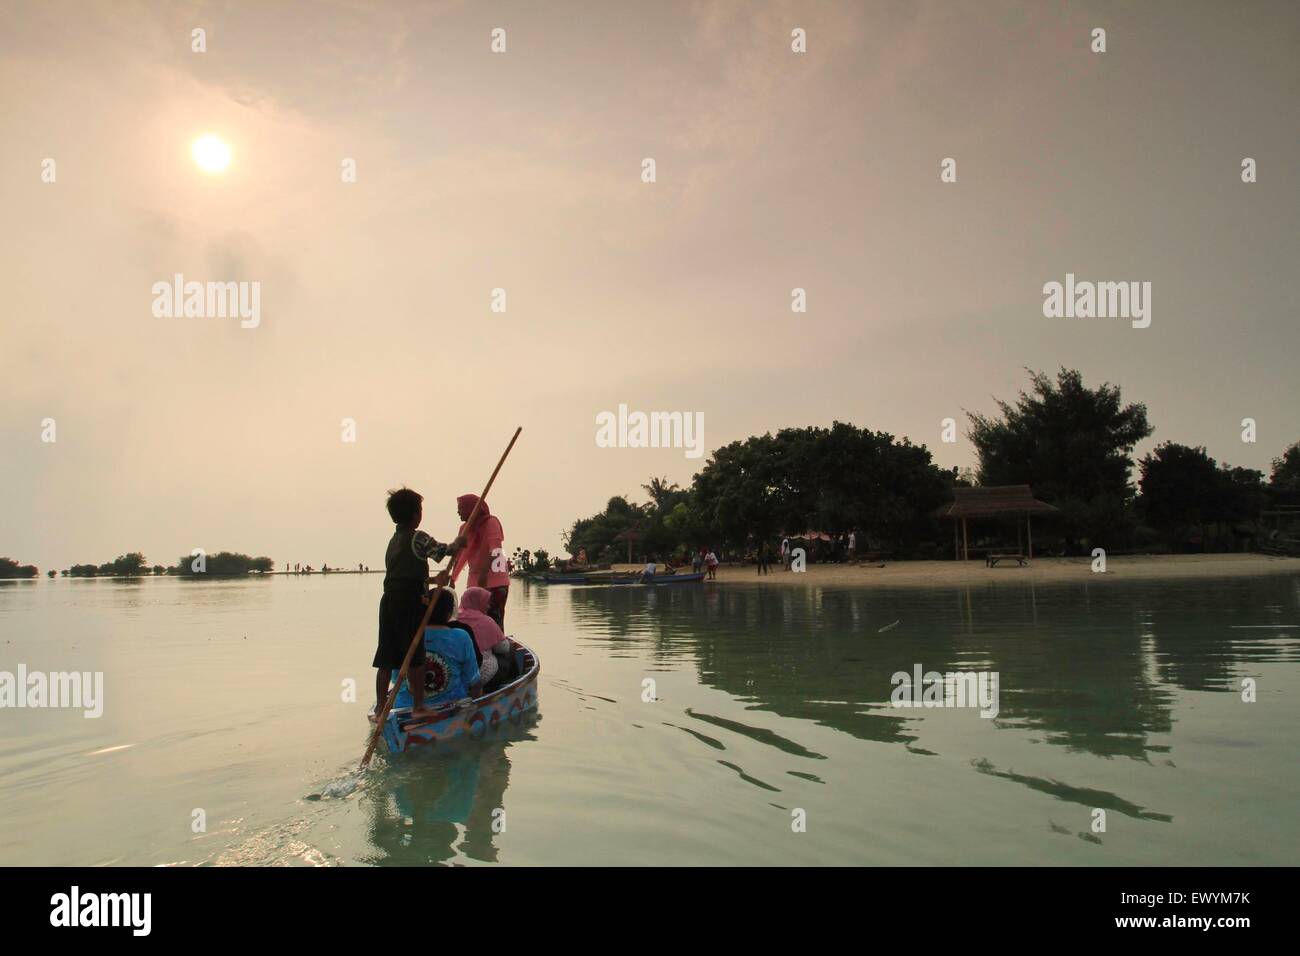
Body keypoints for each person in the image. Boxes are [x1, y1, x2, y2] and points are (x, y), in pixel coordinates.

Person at [376, 487, 463, 715]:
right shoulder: (418, 537)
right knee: (415, 656)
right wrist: (458, 543)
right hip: (408, 604)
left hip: (389, 602)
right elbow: (442, 551)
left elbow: (405, 577)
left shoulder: (393, 541)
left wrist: (434, 579)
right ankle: (418, 707)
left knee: (386, 657)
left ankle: (380, 708)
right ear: (416, 514)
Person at [387, 588, 481, 711]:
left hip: (405, 707)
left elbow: (395, 679)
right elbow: (473, 681)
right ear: (448, 614)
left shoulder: (406, 636)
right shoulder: (461, 637)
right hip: (452, 704)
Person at [449, 493, 509, 628]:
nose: (458, 512)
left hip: (495, 582)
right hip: (474, 582)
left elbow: (495, 550)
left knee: (494, 620)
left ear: (471, 509)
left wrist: (483, 575)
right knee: (471, 620)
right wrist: (453, 578)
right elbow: (461, 556)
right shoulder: (464, 529)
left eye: (461, 508)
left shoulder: (491, 522)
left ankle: (498, 645)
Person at [458, 586, 512, 690]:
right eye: (485, 602)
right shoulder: (486, 621)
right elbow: (503, 648)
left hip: (457, 677)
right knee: (509, 650)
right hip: (483, 676)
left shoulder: (454, 618)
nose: (488, 606)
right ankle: (512, 683)